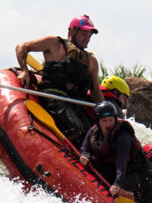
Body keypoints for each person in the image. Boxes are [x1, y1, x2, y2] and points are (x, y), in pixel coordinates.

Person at [15, 15, 104, 146]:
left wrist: (108, 112)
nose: (87, 39)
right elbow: (21, 47)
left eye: (89, 36)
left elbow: (96, 93)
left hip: (74, 105)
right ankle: (53, 150)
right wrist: (24, 70)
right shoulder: (53, 43)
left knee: (91, 136)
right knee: (75, 129)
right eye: (84, 34)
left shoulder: (92, 61)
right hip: (52, 97)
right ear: (72, 31)